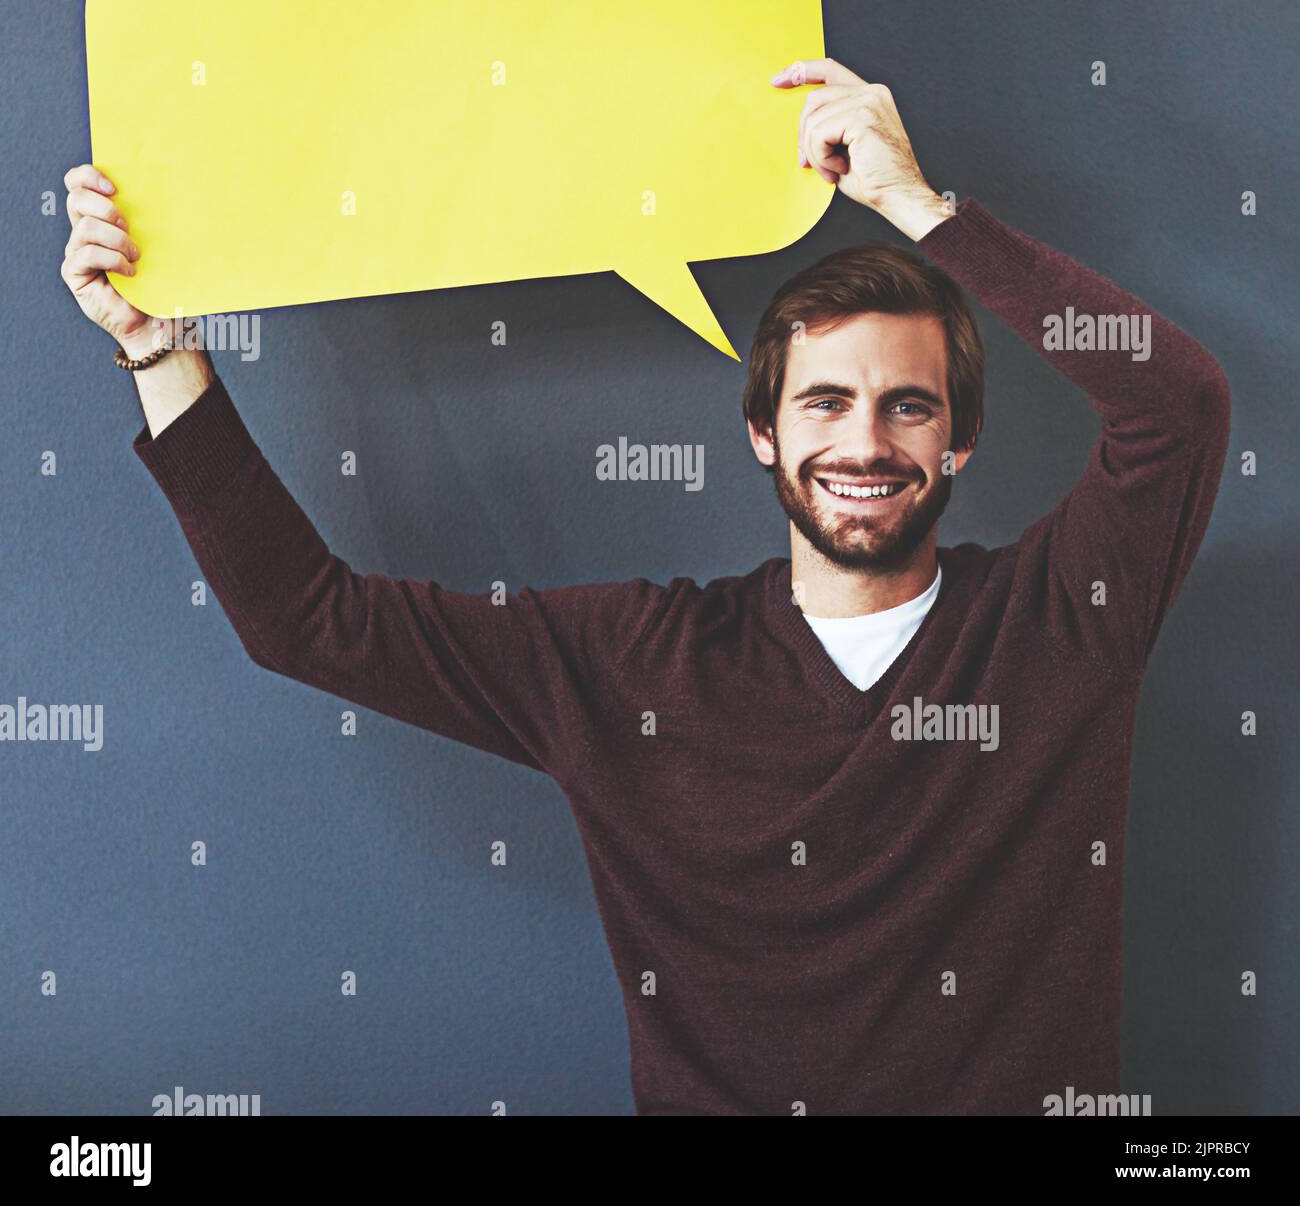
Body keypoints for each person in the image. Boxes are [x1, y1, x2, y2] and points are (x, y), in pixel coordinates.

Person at [62, 58, 1230, 1115]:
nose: (864, 441)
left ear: (958, 442)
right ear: (763, 437)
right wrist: (161, 351)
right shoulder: (632, 663)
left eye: (907, 404)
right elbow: (303, 619)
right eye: (823, 402)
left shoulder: (1067, 621)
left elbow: (1177, 407)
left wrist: (920, 208)